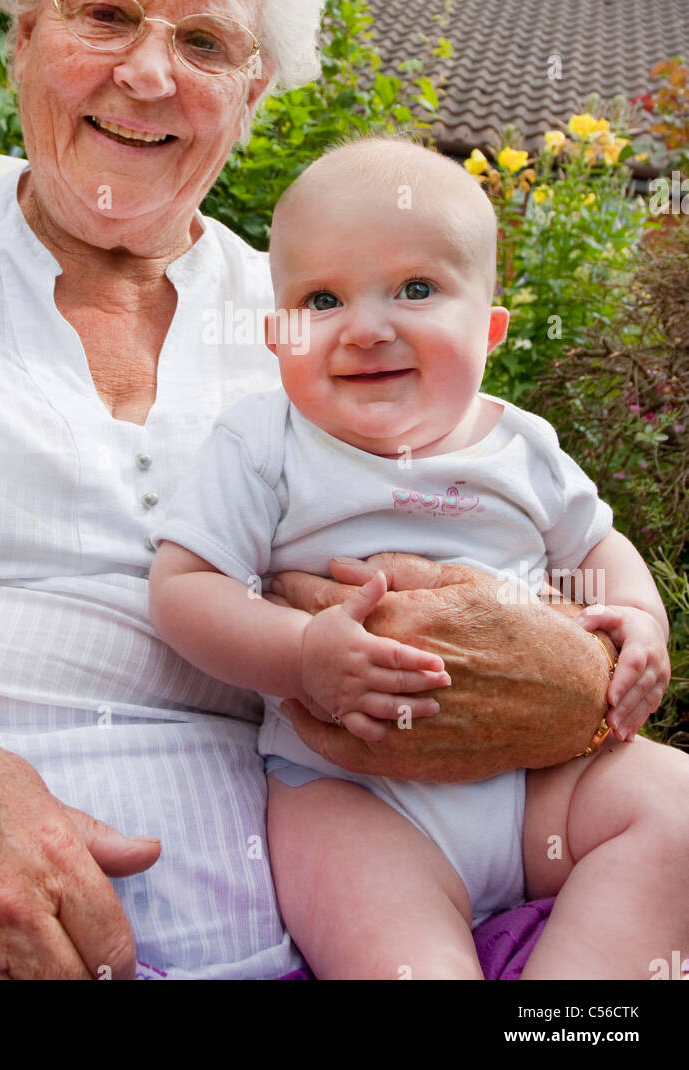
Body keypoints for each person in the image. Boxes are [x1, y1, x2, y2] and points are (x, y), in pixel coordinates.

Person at [0, 0, 643, 981]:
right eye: (103, 15)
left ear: (251, 91)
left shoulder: (330, 329)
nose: (147, 73)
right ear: (21, 34)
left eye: (203, 40)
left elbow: (502, 582)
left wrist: (485, 641)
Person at [150, 134, 687, 979]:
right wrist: (298, 655)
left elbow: (599, 546)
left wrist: (641, 624)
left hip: (537, 781)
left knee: (678, 809)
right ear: (275, 334)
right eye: (322, 299)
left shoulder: (524, 447)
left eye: (417, 288)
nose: (366, 328)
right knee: (400, 954)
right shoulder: (265, 443)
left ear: (491, 329)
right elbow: (183, 589)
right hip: (358, 798)